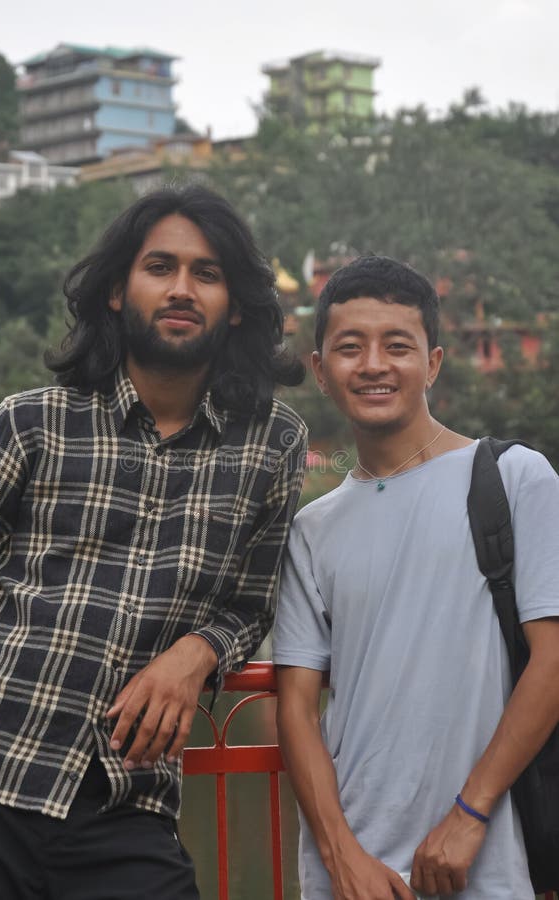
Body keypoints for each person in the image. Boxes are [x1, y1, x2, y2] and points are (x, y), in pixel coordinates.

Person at [0, 184, 307, 900]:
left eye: (207, 273)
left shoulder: (272, 444)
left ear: (238, 305)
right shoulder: (29, 424)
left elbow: (251, 607)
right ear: (115, 291)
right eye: (160, 267)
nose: (182, 289)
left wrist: (196, 655)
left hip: (121, 797)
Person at [273, 255, 559, 899]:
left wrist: (470, 813)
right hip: (351, 876)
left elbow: (553, 660)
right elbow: (297, 704)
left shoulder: (515, 480)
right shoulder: (311, 529)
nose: (373, 365)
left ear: (432, 362)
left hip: (485, 860)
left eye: (397, 346)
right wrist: (342, 855)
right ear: (321, 371)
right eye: (350, 348)